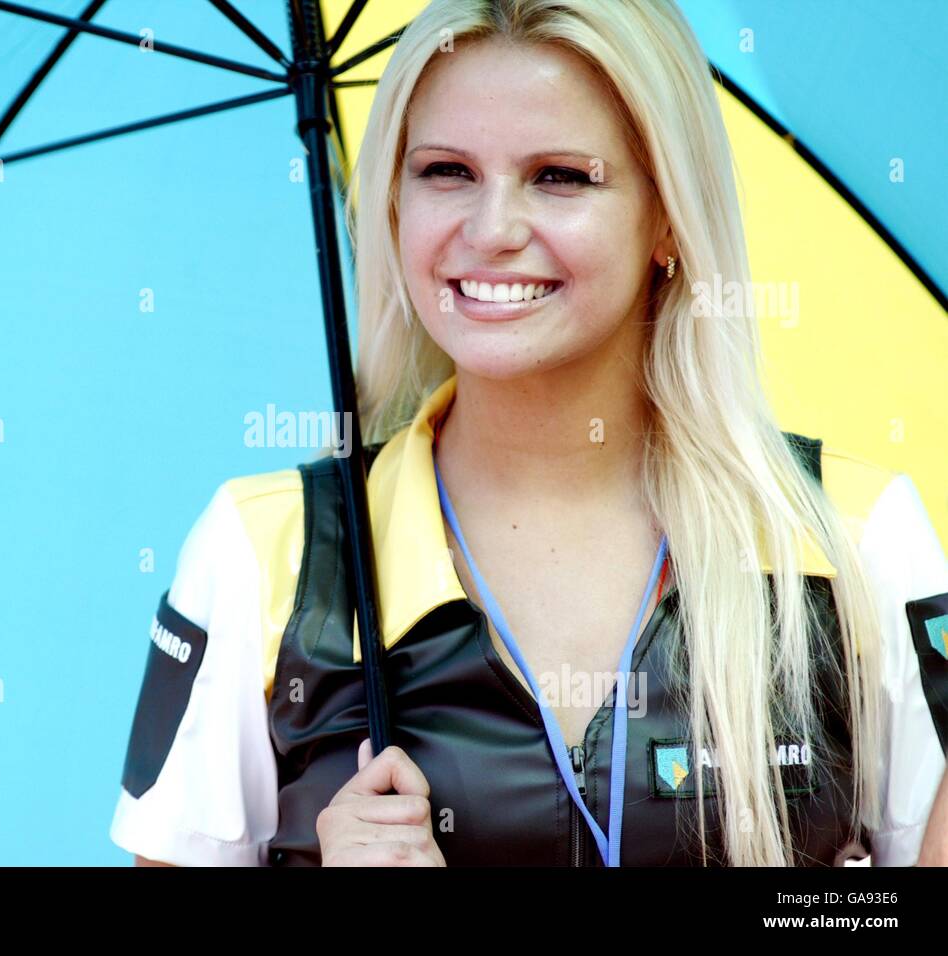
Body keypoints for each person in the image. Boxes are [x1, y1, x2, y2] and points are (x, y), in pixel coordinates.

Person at [108, 0, 948, 866]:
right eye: (444, 171)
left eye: (560, 176)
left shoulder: (854, 537)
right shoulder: (262, 553)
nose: (491, 230)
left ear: (667, 217)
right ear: (392, 205)